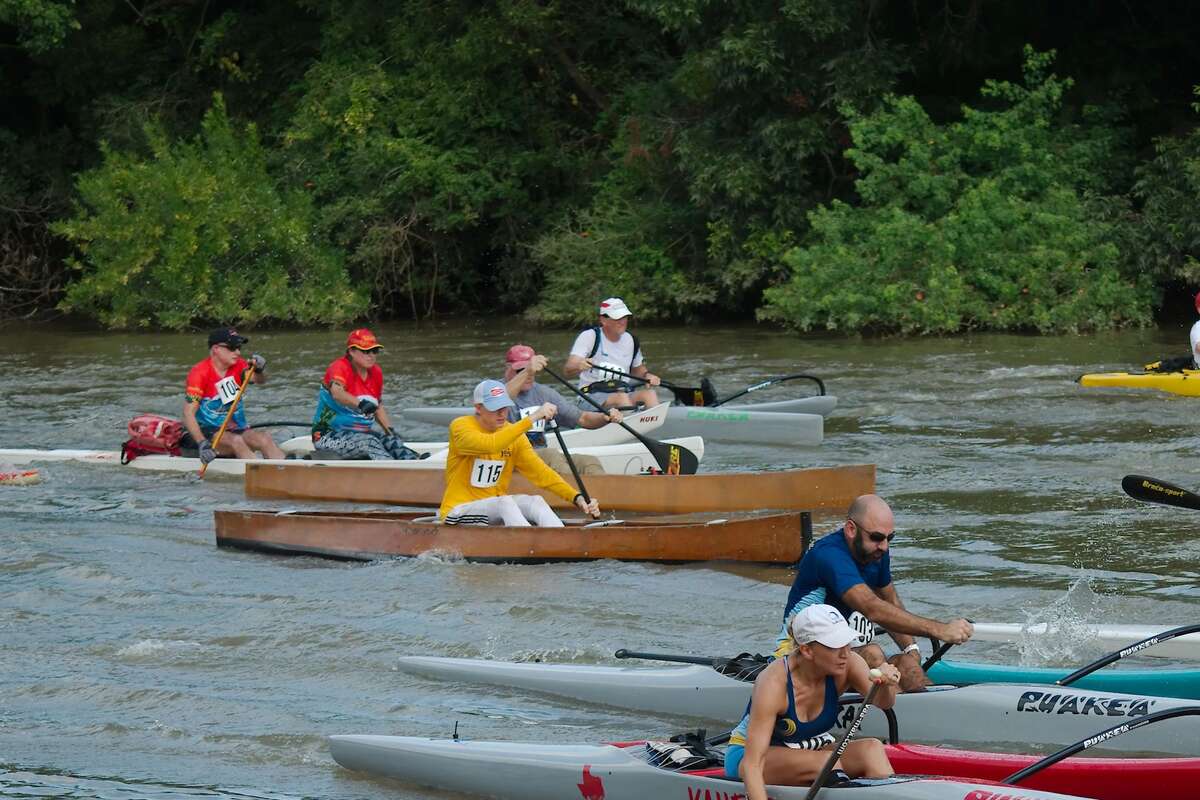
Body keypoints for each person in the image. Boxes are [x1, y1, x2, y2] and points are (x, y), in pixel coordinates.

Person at [774, 495, 973, 691]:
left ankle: (929, 709)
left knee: (907, 664)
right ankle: (892, 706)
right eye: (877, 537)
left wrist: (911, 650)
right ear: (851, 529)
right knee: (872, 652)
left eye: (890, 538)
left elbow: (890, 603)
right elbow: (873, 608)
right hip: (800, 656)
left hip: (840, 652)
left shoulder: (876, 552)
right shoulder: (828, 556)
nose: (885, 546)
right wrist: (939, 629)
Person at [729, 604, 901, 800]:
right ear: (807, 650)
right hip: (749, 758)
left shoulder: (849, 663)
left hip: (808, 751)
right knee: (825, 762)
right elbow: (752, 765)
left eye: (846, 642)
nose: (845, 653)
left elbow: (884, 703)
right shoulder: (773, 683)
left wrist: (886, 685)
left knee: (872, 749)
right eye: (835, 646)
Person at [438, 379, 601, 526]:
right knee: (505, 503)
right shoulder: (460, 427)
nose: (502, 413)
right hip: (458, 511)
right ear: (478, 408)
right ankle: (529, 545)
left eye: (505, 407)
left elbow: (542, 473)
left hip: (494, 508)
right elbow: (490, 445)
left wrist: (576, 497)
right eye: (495, 408)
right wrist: (534, 417)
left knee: (535, 501)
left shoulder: (514, 434)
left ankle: (562, 541)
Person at [311, 328, 426, 461]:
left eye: (374, 351)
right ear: (351, 351)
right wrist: (360, 404)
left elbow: (378, 406)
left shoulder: (376, 373)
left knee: (392, 442)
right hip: (326, 437)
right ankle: (394, 470)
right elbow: (337, 393)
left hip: (362, 435)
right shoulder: (339, 367)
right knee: (370, 443)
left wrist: (390, 431)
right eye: (365, 351)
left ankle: (415, 463)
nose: (371, 355)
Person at [183, 327, 284, 464]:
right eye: (232, 347)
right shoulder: (199, 373)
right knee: (236, 441)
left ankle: (288, 472)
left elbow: (259, 380)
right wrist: (202, 443)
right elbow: (188, 414)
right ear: (216, 349)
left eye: (239, 347)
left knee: (264, 438)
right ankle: (256, 474)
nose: (237, 352)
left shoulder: (239, 366)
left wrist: (259, 370)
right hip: (205, 433)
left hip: (235, 429)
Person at [502, 344, 622, 447]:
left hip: (539, 455)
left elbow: (583, 418)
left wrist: (605, 417)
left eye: (533, 370)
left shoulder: (544, 393)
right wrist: (527, 370)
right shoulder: (493, 389)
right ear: (507, 368)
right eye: (520, 370)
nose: (530, 374)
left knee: (589, 463)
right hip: (509, 456)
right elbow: (500, 400)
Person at [563, 297, 660, 409]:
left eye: (624, 317)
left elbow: (639, 372)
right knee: (621, 398)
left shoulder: (631, 340)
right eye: (617, 317)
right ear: (603, 320)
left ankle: (650, 422)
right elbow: (568, 369)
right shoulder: (590, 337)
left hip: (623, 392)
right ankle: (630, 420)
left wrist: (647, 376)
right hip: (590, 397)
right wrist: (579, 365)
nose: (622, 322)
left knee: (650, 395)